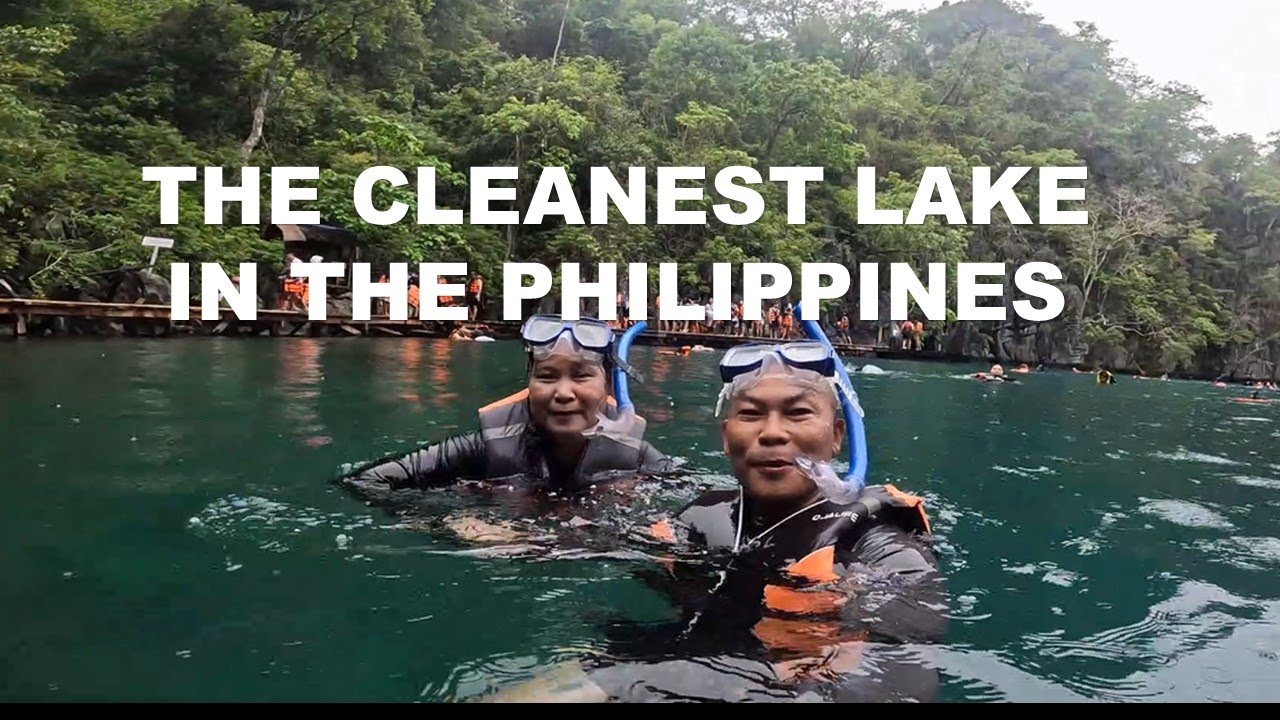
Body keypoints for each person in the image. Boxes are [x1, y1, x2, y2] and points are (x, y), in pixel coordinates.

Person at [480, 342, 946, 703]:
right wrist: (517, 536)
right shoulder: (706, 515)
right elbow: (611, 543)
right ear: (726, 438)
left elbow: (904, 665)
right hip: (671, 658)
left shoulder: (876, 538)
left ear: (837, 436)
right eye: (751, 414)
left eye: (798, 413)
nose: (773, 432)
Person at [337, 315, 683, 502]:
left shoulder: (637, 458)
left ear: (607, 386)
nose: (563, 393)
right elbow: (367, 481)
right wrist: (454, 523)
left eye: (581, 376)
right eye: (547, 376)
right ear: (528, 384)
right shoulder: (484, 446)